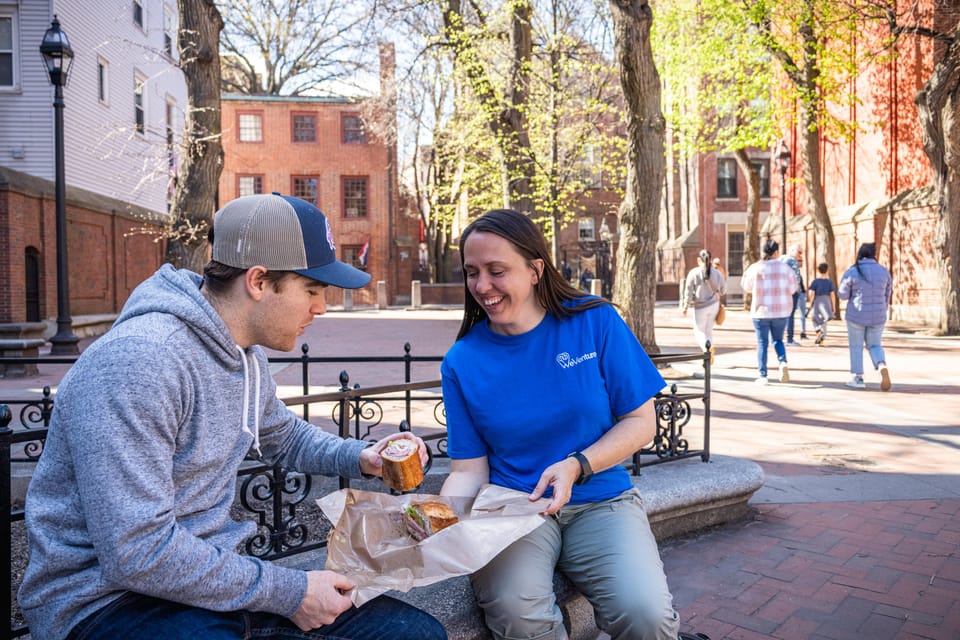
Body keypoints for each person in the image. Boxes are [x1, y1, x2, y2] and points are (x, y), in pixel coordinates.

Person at [18, 194, 447, 640]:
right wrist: (290, 591)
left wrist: (362, 457)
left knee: (414, 633)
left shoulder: (244, 352)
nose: (321, 307)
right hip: (106, 603)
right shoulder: (140, 362)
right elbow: (137, 553)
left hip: (214, 580)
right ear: (258, 281)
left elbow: (281, 435)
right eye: (312, 290)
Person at [439, 209, 681, 640]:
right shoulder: (461, 361)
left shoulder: (594, 321)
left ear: (535, 270)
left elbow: (641, 422)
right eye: (472, 272)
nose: (482, 286)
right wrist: (437, 517)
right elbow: (468, 470)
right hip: (513, 507)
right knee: (518, 615)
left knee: (646, 614)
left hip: (601, 500)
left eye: (497, 271)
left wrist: (576, 465)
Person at [740, 238, 799, 385]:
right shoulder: (786, 269)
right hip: (781, 311)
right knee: (778, 340)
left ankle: (763, 375)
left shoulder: (755, 268)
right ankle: (782, 361)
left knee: (762, 343)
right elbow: (793, 288)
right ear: (776, 252)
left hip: (761, 311)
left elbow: (746, 286)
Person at [838, 242, 893, 390]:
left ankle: (858, 378)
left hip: (856, 315)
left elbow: (842, 295)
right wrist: (883, 309)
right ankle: (881, 365)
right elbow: (887, 294)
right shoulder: (884, 271)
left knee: (856, 346)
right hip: (878, 316)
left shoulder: (852, 271)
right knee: (875, 345)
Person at [681, 249, 726, 364]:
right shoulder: (717, 273)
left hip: (700, 306)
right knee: (708, 330)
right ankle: (709, 357)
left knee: (699, 331)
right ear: (710, 259)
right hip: (714, 305)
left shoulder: (694, 273)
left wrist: (685, 306)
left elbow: (688, 291)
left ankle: (707, 351)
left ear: (698, 260)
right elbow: (723, 290)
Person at [780, 244, 807, 344]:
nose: (800, 255)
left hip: (781, 291)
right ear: (792, 250)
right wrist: (795, 290)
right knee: (790, 315)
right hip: (791, 292)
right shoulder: (792, 261)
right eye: (799, 252)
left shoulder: (781, 259)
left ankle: (778, 337)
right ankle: (790, 339)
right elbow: (797, 279)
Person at [807, 262, 835, 346]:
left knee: (814, 318)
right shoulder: (829, 282)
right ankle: (821, 340)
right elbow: (832, 294)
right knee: (824, 321)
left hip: (817, 301)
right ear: (827, 270)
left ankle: (818, 330)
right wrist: (833, 306)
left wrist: (810, 303)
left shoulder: (815, 281)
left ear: (818, 270)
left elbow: (812, 293)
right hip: (826, 301)